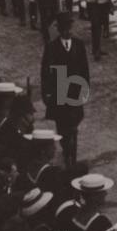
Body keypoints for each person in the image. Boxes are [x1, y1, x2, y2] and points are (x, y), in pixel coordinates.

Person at [40, 13, 90, 168]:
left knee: (74, 125)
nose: (67, 32)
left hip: (75, 90)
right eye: (64, 29)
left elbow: (84, 69)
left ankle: (71, 155)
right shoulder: (51, 47)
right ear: (60, 30)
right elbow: (45, 72)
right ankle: (66, 148)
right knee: (62, 126)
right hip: (59, 89)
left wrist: (85, 89)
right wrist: (46, 93)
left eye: (69, 29)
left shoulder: (78, 45)